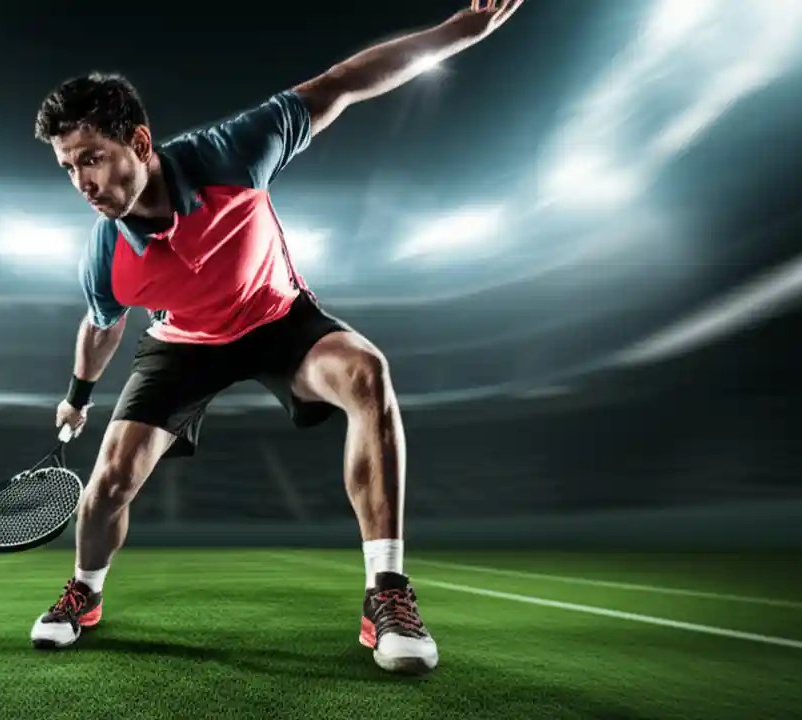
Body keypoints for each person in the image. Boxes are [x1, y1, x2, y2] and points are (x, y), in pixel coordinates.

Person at [28, 0, 524, 673]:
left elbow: (343, 81)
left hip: (278, 320)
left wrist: (458, 31)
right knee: (109, 480)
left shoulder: (233, 151)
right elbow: (101, 326)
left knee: (365, 370)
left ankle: (387, 593)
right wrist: (78, 398)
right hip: (183, 346)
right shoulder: (104, 254)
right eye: (68, 167)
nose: (82, 182)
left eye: (92, 157)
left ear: (139, 143)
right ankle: (82, 594)